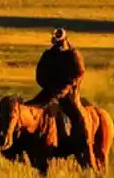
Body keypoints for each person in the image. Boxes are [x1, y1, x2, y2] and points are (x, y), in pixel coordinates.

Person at [29, 28, 91, 165]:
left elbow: (79, 73)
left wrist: (67, 86)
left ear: (65, 40)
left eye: (59, 41)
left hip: (68, 92)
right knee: (30, 108)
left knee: (78, 116)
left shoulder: (73, 54)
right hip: (49, 90)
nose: (57, 44)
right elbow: (40, 74)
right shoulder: (48, 55)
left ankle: (85, 144)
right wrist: (47, 85)